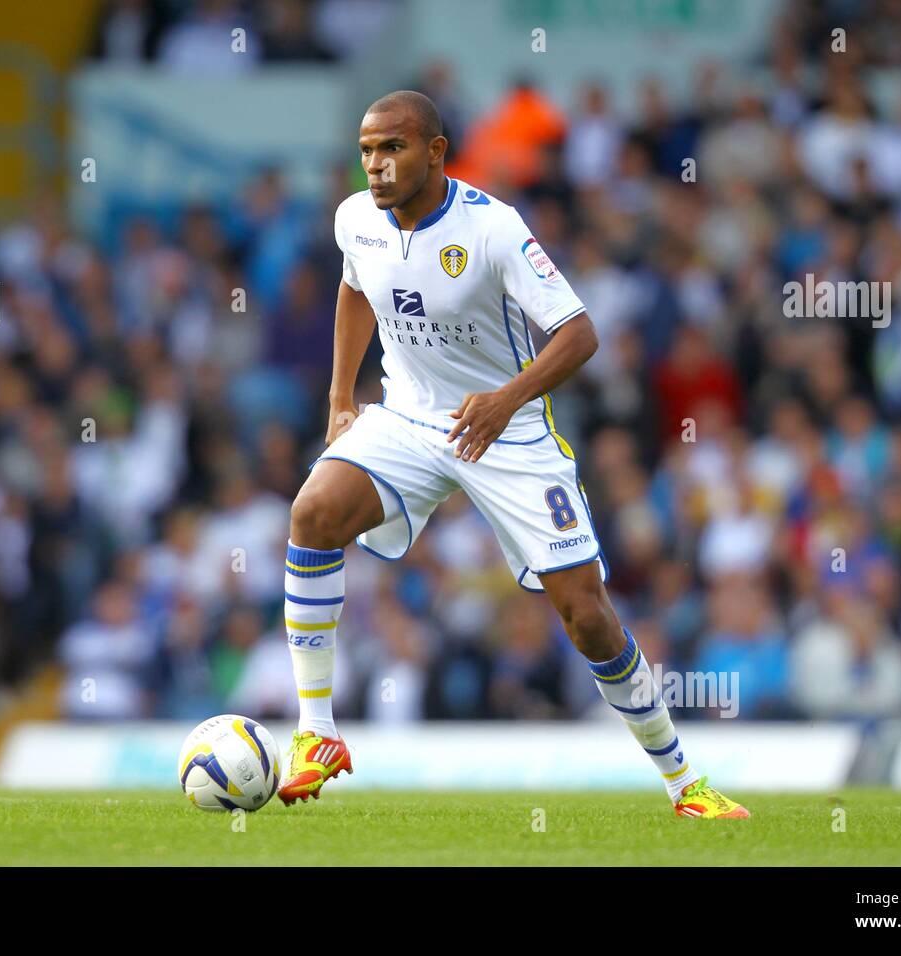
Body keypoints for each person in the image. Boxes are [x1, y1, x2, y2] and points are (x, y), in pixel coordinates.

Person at [278, 90, 749, 818]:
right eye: (367, 150)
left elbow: (579, 333)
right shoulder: (354, 220)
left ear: (435, 152)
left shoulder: (494, 229)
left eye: (393, 148)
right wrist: (343, 396)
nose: (376, 164)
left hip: (509, 433)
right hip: (407, 417)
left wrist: (507, 399)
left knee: (586, 614)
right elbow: (354, 289)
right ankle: (317, 735)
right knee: (312, 513)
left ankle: (685, 783)